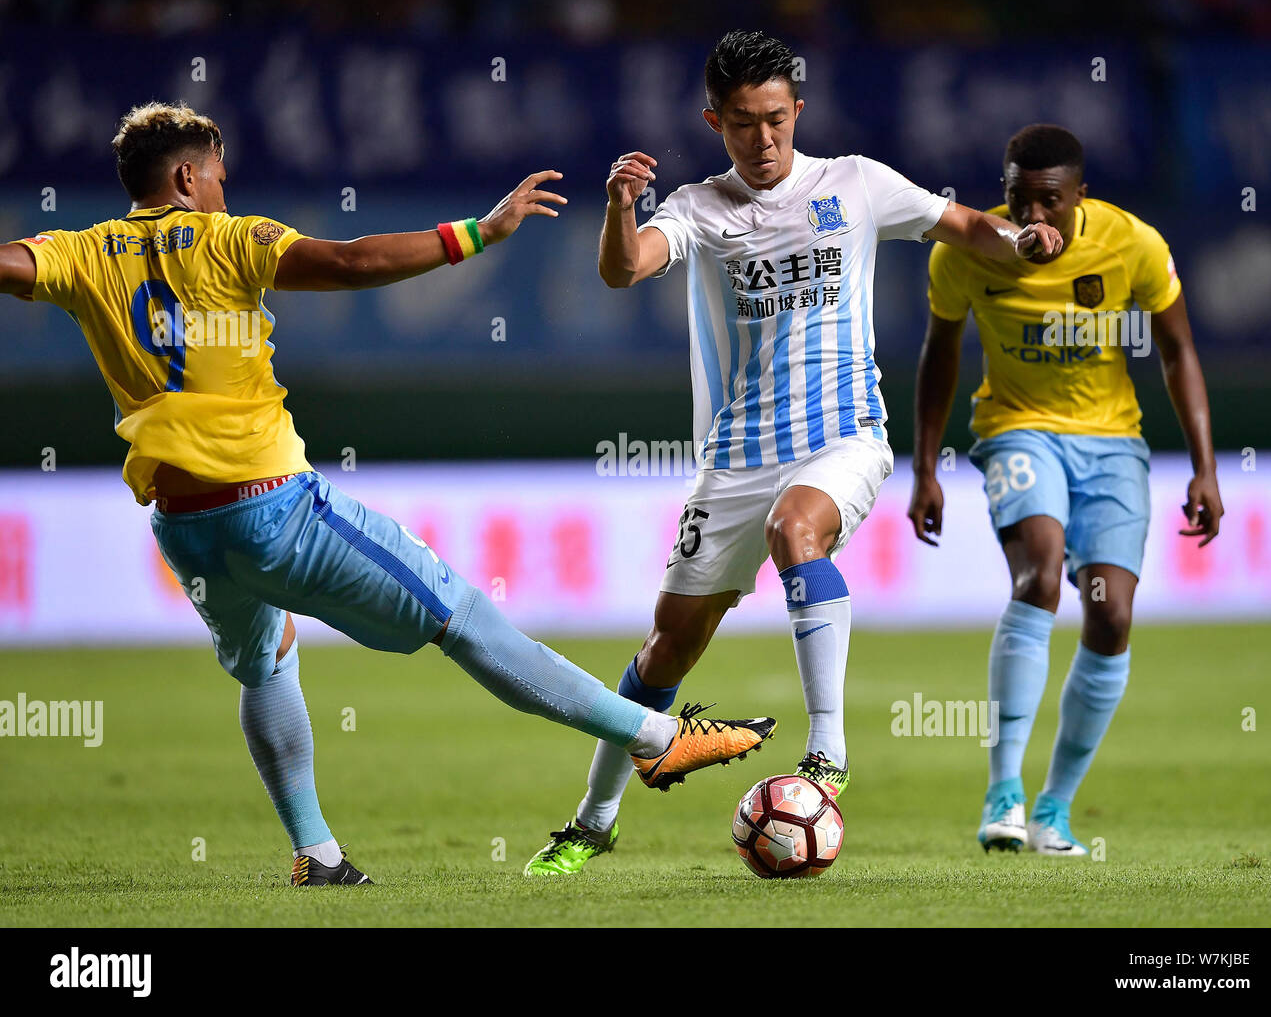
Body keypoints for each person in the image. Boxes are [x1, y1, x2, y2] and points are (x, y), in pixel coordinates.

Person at [0, 101, 775, 887]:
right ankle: (652, 734)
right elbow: (350, 262)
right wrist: (477, 231)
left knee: (266, 664)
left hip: (184, 531)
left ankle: (319, 853)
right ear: (188, 176)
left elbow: (7, 264)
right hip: (272, 507)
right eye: (220, 180)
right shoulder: (228, 237)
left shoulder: (81, 252)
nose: (225, 194)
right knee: (462, 616)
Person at [524, 30, 1063, 876]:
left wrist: (1021, 242)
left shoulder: (855, 183)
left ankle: (829, 749)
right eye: (743, 124)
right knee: (668, 646)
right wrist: (620, 207)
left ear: (797, 111)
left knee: (795, 531)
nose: (764, 140)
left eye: (776, 119)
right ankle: (593, 821)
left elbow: (962, 225)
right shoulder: (700, 207)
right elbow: (624, 271)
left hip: (842, 437)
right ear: (714, 121)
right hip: (734, 460)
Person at [908, 123, 1224, 855]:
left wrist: (1205, 465)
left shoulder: (1133, 244)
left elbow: (1178, 350)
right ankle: (1003, 791)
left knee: (1109, 617)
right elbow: (940, 352)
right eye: (1020, 201)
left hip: (1112, 444)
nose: (1033, 221)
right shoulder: (967, 250)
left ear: (1081, 195)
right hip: (1017, 429)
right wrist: (925, 467)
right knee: (1040, 574)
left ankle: (1054, 808)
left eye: (1050, 203)